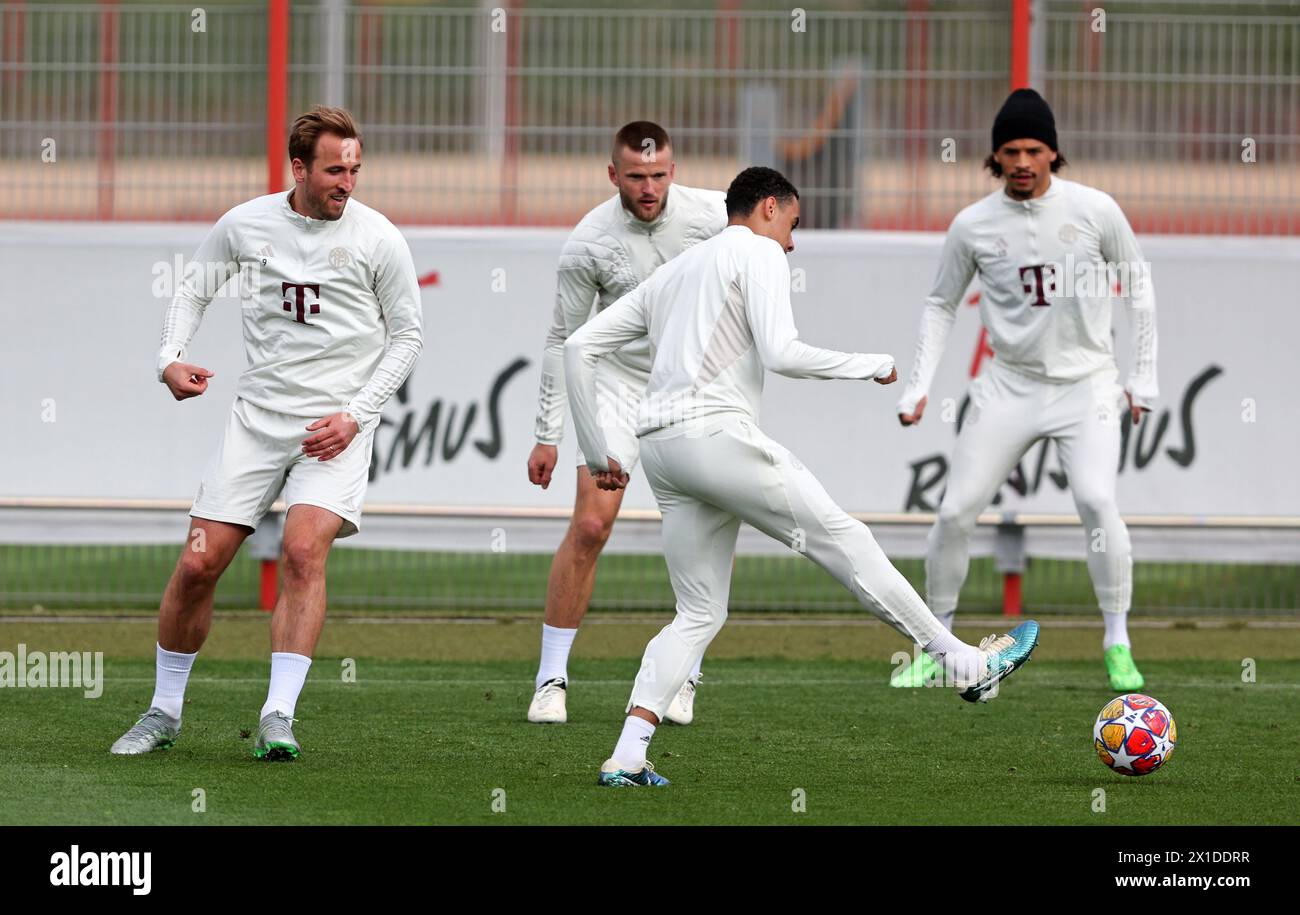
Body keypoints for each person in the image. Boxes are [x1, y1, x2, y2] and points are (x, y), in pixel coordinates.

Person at [564, 166, 1039, 787]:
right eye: (792, 224)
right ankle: (961, 664)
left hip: (660, 454)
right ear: (767, 209)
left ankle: (627, 755)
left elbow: (578, 348)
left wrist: (600, 452)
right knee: (846, 540)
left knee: (698, 614)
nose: (792, 242)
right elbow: (782, 353)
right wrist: (872, 364)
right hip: (713, 437)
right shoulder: (758, 253)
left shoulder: (675, 271)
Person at [110, 106, 424, 760]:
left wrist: (356, 414)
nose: (348, 181)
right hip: (256, 422)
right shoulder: (247, 223)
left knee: (305, 550)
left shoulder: (379, 239)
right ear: (300, 167)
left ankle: (278, 714)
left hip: (332, 429)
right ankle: (164, 710)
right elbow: (193, 287)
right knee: (199, 563)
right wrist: (168, 357)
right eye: (335, 169)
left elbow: (408, 336)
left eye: (356, 169)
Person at [892, 88, 1157, 692]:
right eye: (1009, 150)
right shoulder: (974, 225)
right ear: (994, 156)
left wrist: (1143, 377)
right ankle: (937, 644)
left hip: (1086, 385)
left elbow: (1138, 284)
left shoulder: (1094, 211)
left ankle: (1117, 639)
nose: (1021, 161)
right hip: (1008, 386)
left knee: (1095, 500)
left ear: (1053, 153)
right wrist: (918, 387)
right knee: (956, 510)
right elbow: (940, 304)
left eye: (1033, 149)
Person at [525, 121, 727, 725]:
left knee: (702, 529)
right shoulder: (588, 241)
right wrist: (547, 433)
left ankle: (685, 675)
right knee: (590, 524)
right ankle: (550, 680)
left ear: (675, 169)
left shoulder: (715, 217)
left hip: (692, 388)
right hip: (615, 385)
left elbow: (778, 231)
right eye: (636, 176)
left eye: (659, 175)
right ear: (613, 174)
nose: (649, 187)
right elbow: (562, 337)